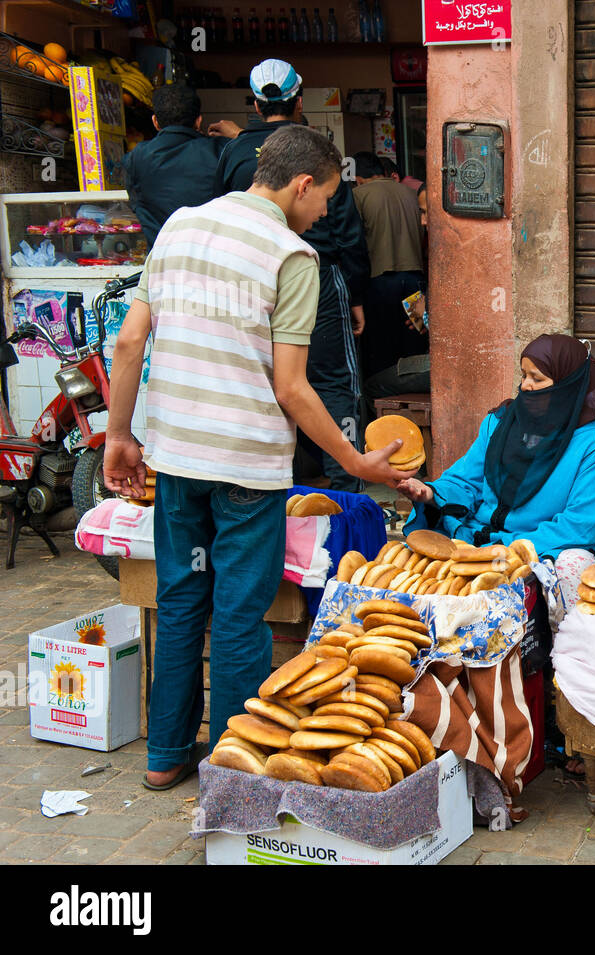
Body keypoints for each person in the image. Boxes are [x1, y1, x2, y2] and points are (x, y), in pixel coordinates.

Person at [102, 125, 408, 790]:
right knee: (241, 612)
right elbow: (291, 388)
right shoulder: (291, 257)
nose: (327, 212)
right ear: (301, 186)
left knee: (182, 600)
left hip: (176, 454)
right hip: (245, 466)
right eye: (326, 198)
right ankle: (232, 767)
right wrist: (356, 463)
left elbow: (129, 342)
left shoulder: (178, 226)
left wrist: (119, 434)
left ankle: (163, 757)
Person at [212, 58, 371, 492]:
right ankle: (346, 478)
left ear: (258, 104)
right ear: (298, 101)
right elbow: (345, 227)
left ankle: (283, 482)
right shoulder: (316, 153)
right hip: (318, 276)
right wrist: (356, 294)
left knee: (266, 374)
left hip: (249, 275)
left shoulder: (233, 151)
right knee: (333, 379)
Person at [397, 334, 595, 596]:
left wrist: (506, 547)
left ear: (567, 384)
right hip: (475, 537)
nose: (525, 386)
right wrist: (429, 493)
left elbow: (580, 526)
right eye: (524, 375)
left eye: (537, 379)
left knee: (571, 565)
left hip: (543, 548)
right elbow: (465, 480)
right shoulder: (500, 423)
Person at [349, 150, 427, 402]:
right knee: (414, 348)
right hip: (415, 284)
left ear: (358, 178)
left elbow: (355, 246)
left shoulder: (358, 196)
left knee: (382, 354)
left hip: (379, 284)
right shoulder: (410, 193)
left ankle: (383, 416)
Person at [121, 84, 224, 245]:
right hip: (209, 261)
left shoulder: (136, 157)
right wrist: (238, 135)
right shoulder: (221, 151)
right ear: (198, 121)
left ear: (155, 122)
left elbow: (137, 205)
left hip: (161, 263)